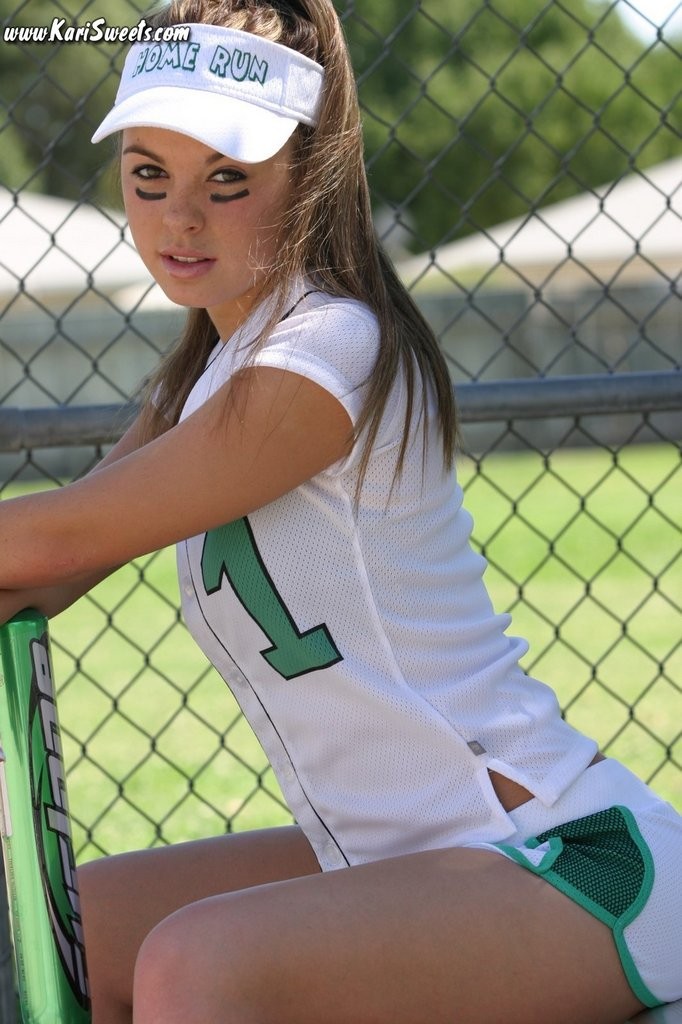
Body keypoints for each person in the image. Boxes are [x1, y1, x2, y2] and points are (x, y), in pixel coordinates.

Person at [1, 1, 680, 1021]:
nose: (179, 218)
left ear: (309, 173)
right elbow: (45, 568)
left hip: (566, 861)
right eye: (150, 176)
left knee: (198, 962)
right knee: (52, 935)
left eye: (226, 182)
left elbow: (51, 535)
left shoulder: (327, 354)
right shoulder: (202, 379)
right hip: (386, 853)